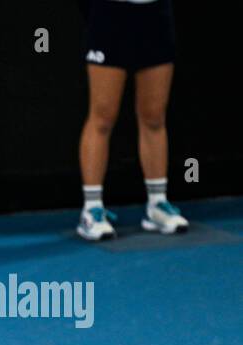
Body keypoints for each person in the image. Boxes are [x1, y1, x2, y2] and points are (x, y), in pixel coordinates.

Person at [77, 0, 188, 240]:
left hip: (155, 14)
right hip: (110, 14)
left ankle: (157, 205)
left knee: (154, 117)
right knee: (103, 117)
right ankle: (92, 209)